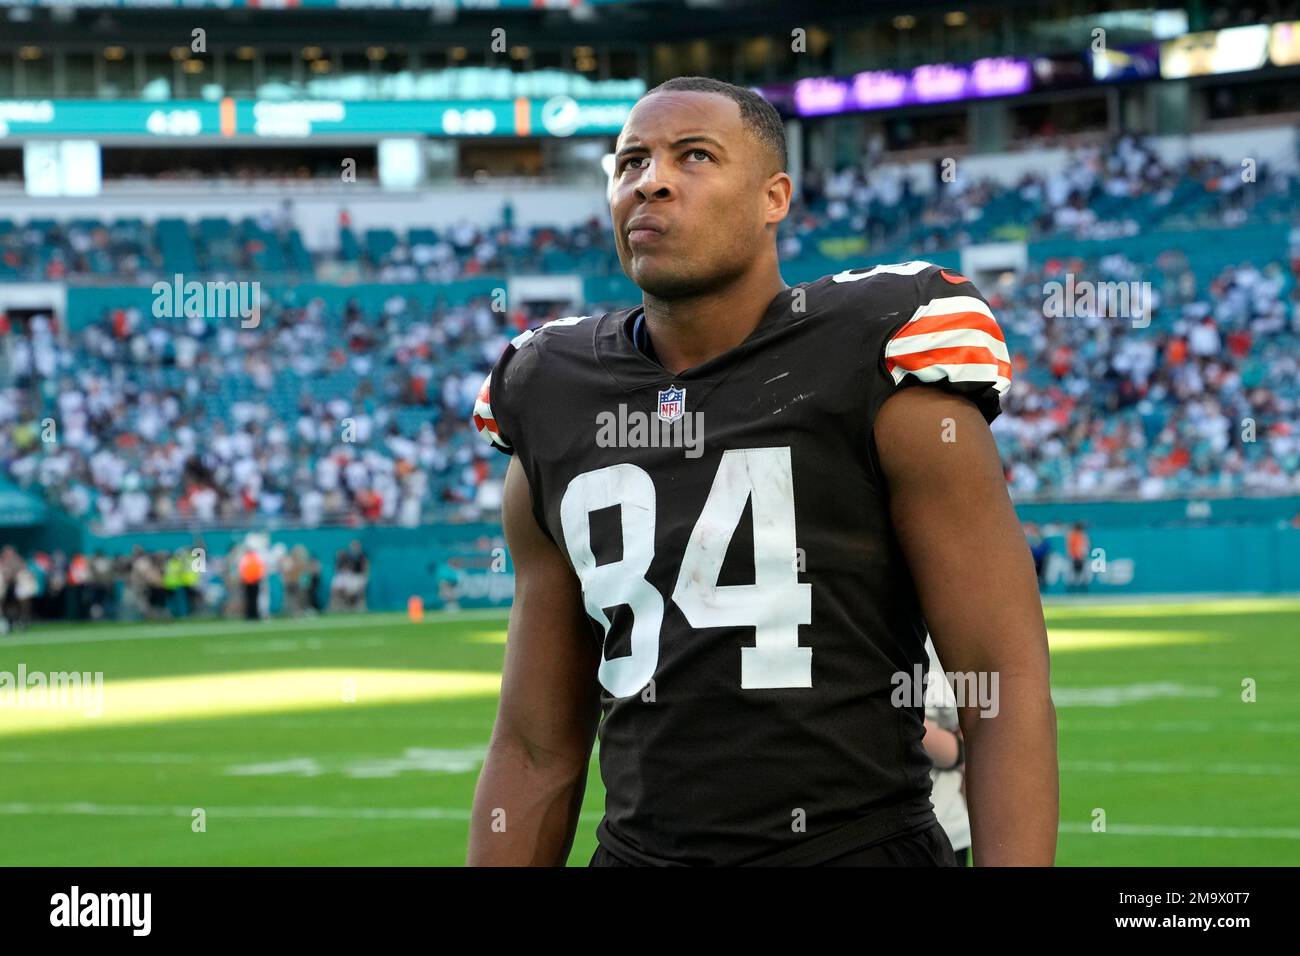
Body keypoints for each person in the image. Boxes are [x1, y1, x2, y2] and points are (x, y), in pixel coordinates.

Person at [467, 77, 1057, 867]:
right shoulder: (550, 389)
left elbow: (1001, 688)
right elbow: (537, 746)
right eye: (630, 161)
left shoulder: (880, 353)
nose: (652, 179)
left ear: (773, 196)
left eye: (695, 155)